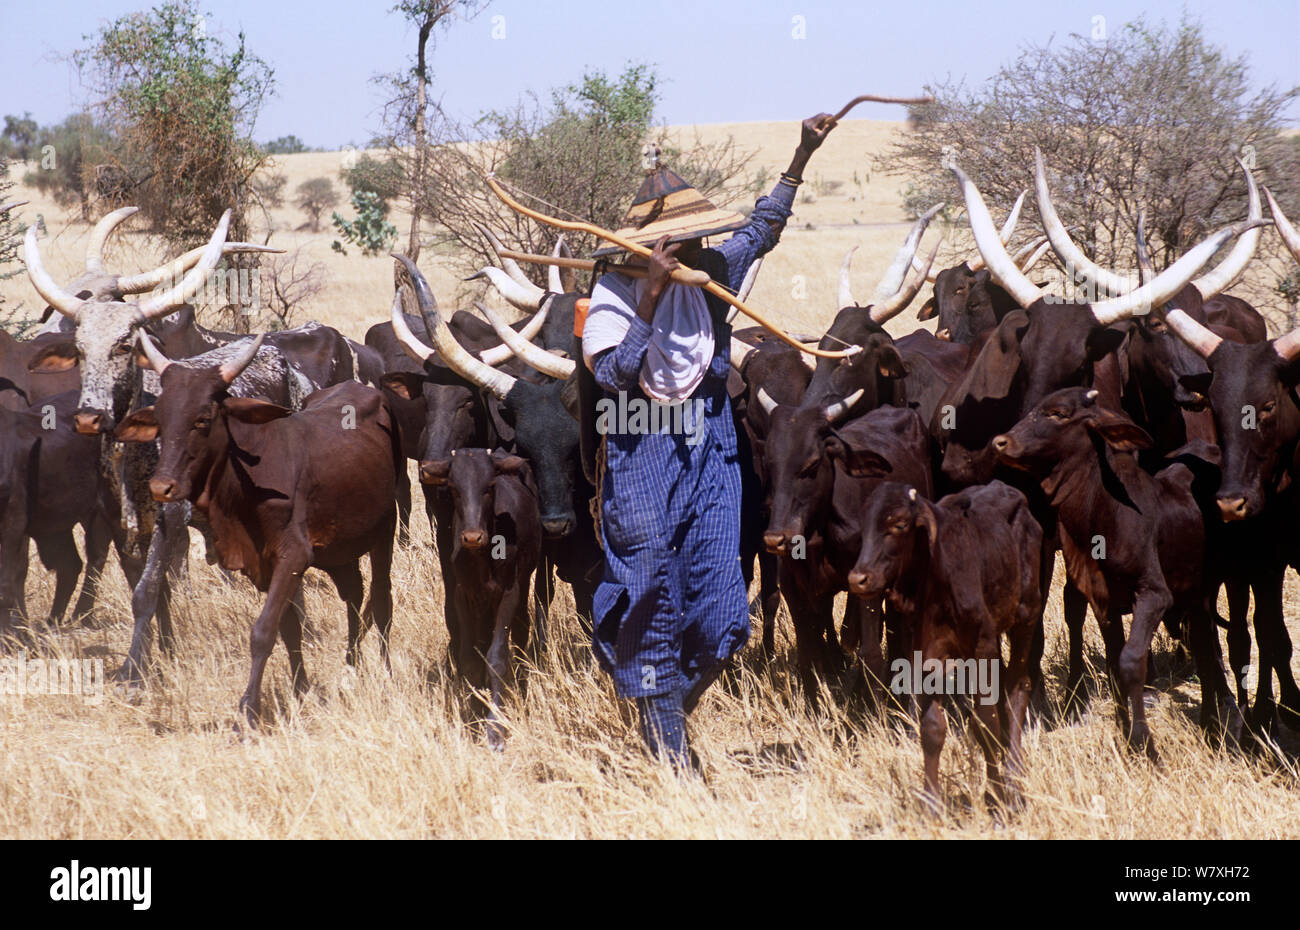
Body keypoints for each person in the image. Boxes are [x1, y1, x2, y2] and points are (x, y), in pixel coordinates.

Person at [581, 115, 835, 768]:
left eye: (695, 242)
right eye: (679, 246)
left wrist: (801, 153)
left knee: (725, 616)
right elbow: (613, 376)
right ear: (643, 250)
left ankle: (662, 728)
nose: (693, 253)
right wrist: (650, 300)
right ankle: (672, 757)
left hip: (714, 452)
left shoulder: (714, 275)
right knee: (649, 600)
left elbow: (762, 229)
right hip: (642, 456)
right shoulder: (611, 296)